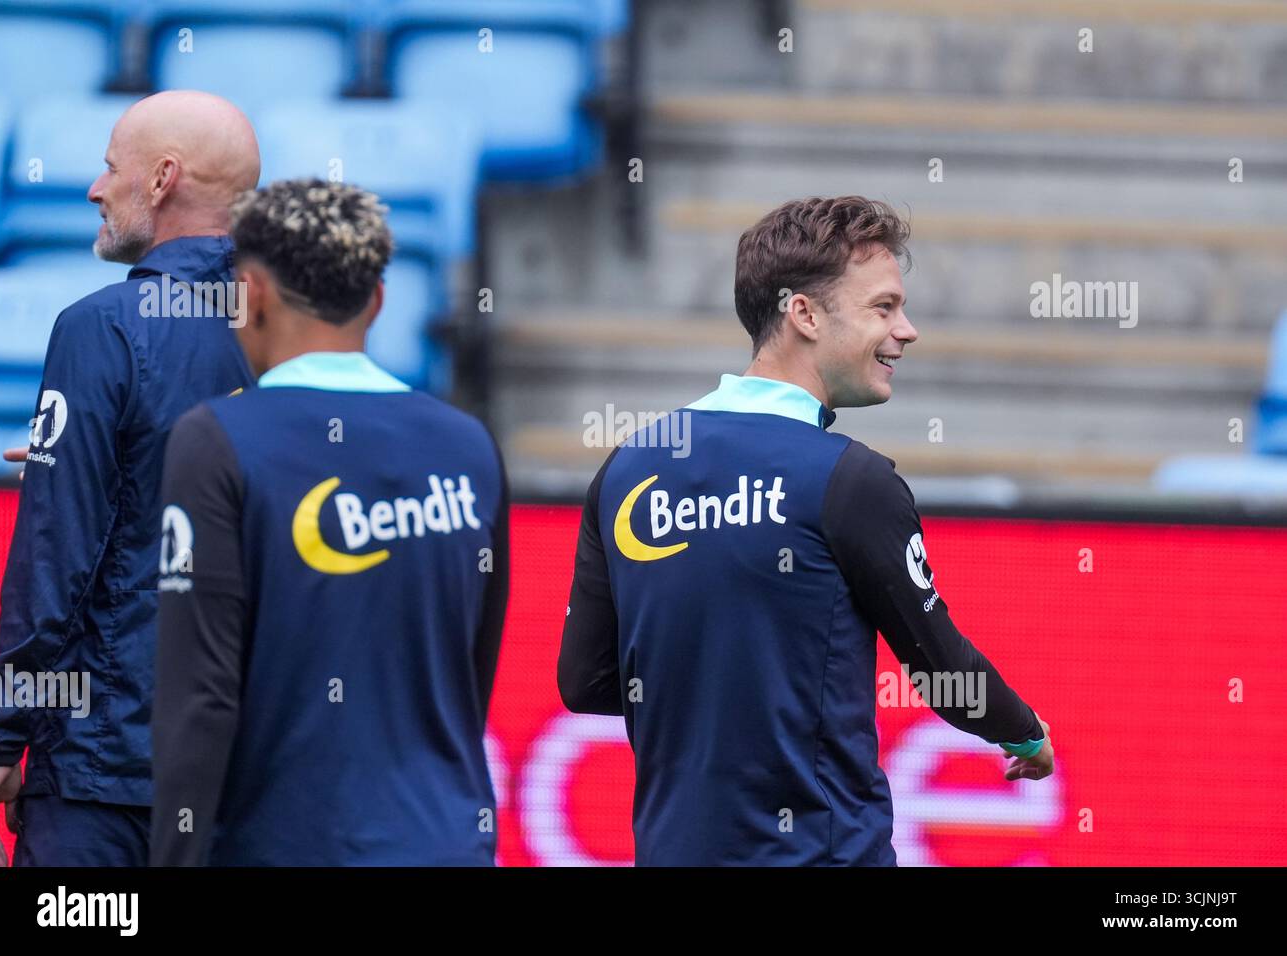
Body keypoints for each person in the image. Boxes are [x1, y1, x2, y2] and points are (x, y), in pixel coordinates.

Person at [557, 196, 1053, 866]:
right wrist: (1025, 734)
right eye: (884, 307)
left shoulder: (630, 466)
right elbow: (942, 672)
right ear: (805, 314)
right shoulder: (851, 480)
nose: (907, 330)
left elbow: (585, 681)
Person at [150, 179, 508, 866]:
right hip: (446, 843)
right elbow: (471, 677)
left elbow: (200, 698)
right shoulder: (469, 445)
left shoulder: (215, 439)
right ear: (375, 301)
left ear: (249, 294)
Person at [0, 91, 260, 866]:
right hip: (244, 785)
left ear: (163, 177)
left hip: (102, 784)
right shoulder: (286, 337)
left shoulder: (99, 327)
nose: (94, 189)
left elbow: (55, 557)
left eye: (111, 168)